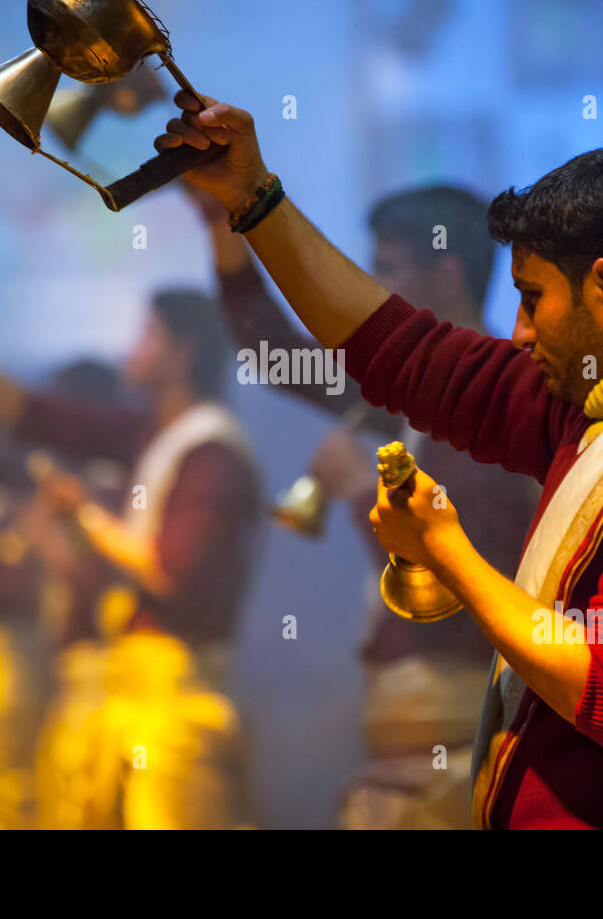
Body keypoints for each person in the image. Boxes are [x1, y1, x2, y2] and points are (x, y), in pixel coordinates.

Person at [153, 93, 603, 829]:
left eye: (533, 299)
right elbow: (398, 351)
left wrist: (445, 550)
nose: (519, 332)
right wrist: (251, 197)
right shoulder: (602, 409)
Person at [189, 183, 539, 828]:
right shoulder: (415, 391)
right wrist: (224, 220)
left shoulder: (501, 402)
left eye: (385, 267)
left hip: (462, 752)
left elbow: (465, 584)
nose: (369, 288)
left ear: (447, 272)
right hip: (403, 747)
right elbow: (277, 354)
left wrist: (357, 492)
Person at [0, 283, 261, 828]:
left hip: (174, 707)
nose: (134, 347)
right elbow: (24, 413)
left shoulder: (213, 453)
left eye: (148, 334)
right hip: (121, 705)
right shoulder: (147, 436)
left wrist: (84, 517)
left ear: (182, 353)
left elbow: (171, 575)